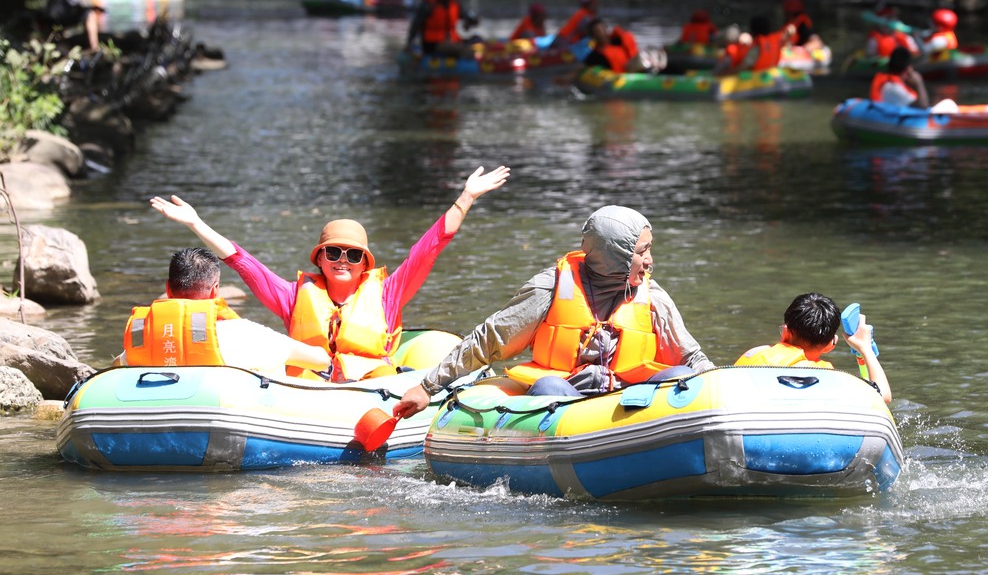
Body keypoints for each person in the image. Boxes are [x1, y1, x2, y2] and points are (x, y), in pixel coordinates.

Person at [148, 165, 510, 383]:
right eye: (333, 252)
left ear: (365, 263)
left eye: (353, 255)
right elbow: (243, 262)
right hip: (308, 391)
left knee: (384, 375)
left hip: (372, 386)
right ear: (319, 258)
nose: (343, 260)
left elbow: (428, 248)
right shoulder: (293, 296)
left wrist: (466, 198)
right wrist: (196, 223)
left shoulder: (388, 292)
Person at [391, 205, 715, 418]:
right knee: (548, 387)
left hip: (629, 402)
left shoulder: (652, 295)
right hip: (566, 401)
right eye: (642, 252)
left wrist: (723, 388)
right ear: (615, 254)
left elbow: (690, 357)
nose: (650, 261)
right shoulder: (549, 288)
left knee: (682, 378)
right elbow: (488, 340)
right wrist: (428, 387)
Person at [115, 247, 331, 376]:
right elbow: (320, 360)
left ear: (168, 289)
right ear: (215, 290)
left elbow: (116, 366)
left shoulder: (143, 337)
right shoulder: (245, 334)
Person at [735, 292, 892, 404]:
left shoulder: (754, 355)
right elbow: (883, 396)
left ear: (785, 331)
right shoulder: (825, 375)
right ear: (831, 343)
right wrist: (865, 350)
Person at [406, 0, 477, 57]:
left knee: (477, 39)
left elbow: (465, 15)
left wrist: (471, 21)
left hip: (452, 40)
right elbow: (416, 24)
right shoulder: (428, 4)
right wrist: (409, 43)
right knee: (463, 49)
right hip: (432, 43)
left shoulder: (454, 2)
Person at [715, 14, 787, 75]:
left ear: (752, 31)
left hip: (755, 81)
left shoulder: (757, 48)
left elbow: (742, 68)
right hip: (769, 77)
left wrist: (721, 74)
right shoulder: (776, 42)